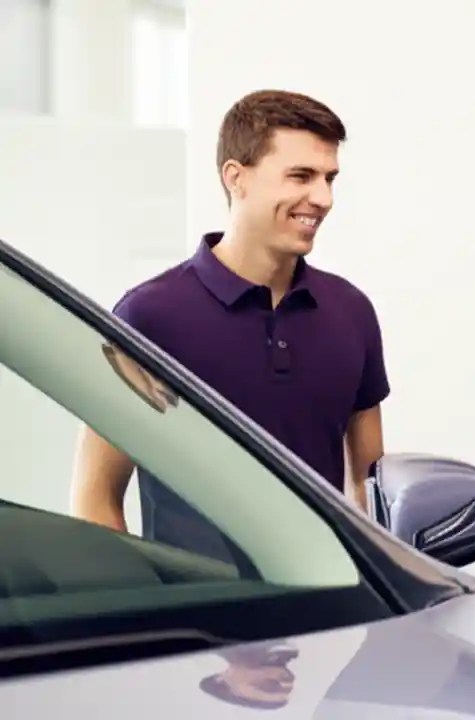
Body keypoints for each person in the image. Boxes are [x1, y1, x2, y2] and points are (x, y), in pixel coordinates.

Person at [70, 89, 390, 560]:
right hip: (196, 621)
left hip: (331, 617)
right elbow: (95, 499)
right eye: (301, 176)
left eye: (329, 178)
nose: (322, 198)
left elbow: (371, 492)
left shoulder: (352, 311)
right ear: (236, 178)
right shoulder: (149, 317)